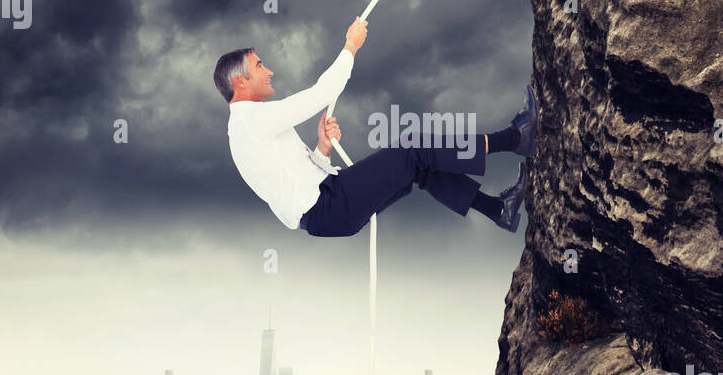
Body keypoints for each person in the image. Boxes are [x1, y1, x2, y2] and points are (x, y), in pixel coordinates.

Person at [216, 17, 535, 237]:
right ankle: (514, 138)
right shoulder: (252, 121)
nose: (269, 71)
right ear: (241, 81)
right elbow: (321, 93)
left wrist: (322, 150)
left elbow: (293, 183)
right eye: (260, 66)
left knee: (419, 166)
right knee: (415, 148)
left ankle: (499, 210)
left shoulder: (246, 128)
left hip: (326, 209)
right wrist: (350, 46)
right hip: (331, 205)